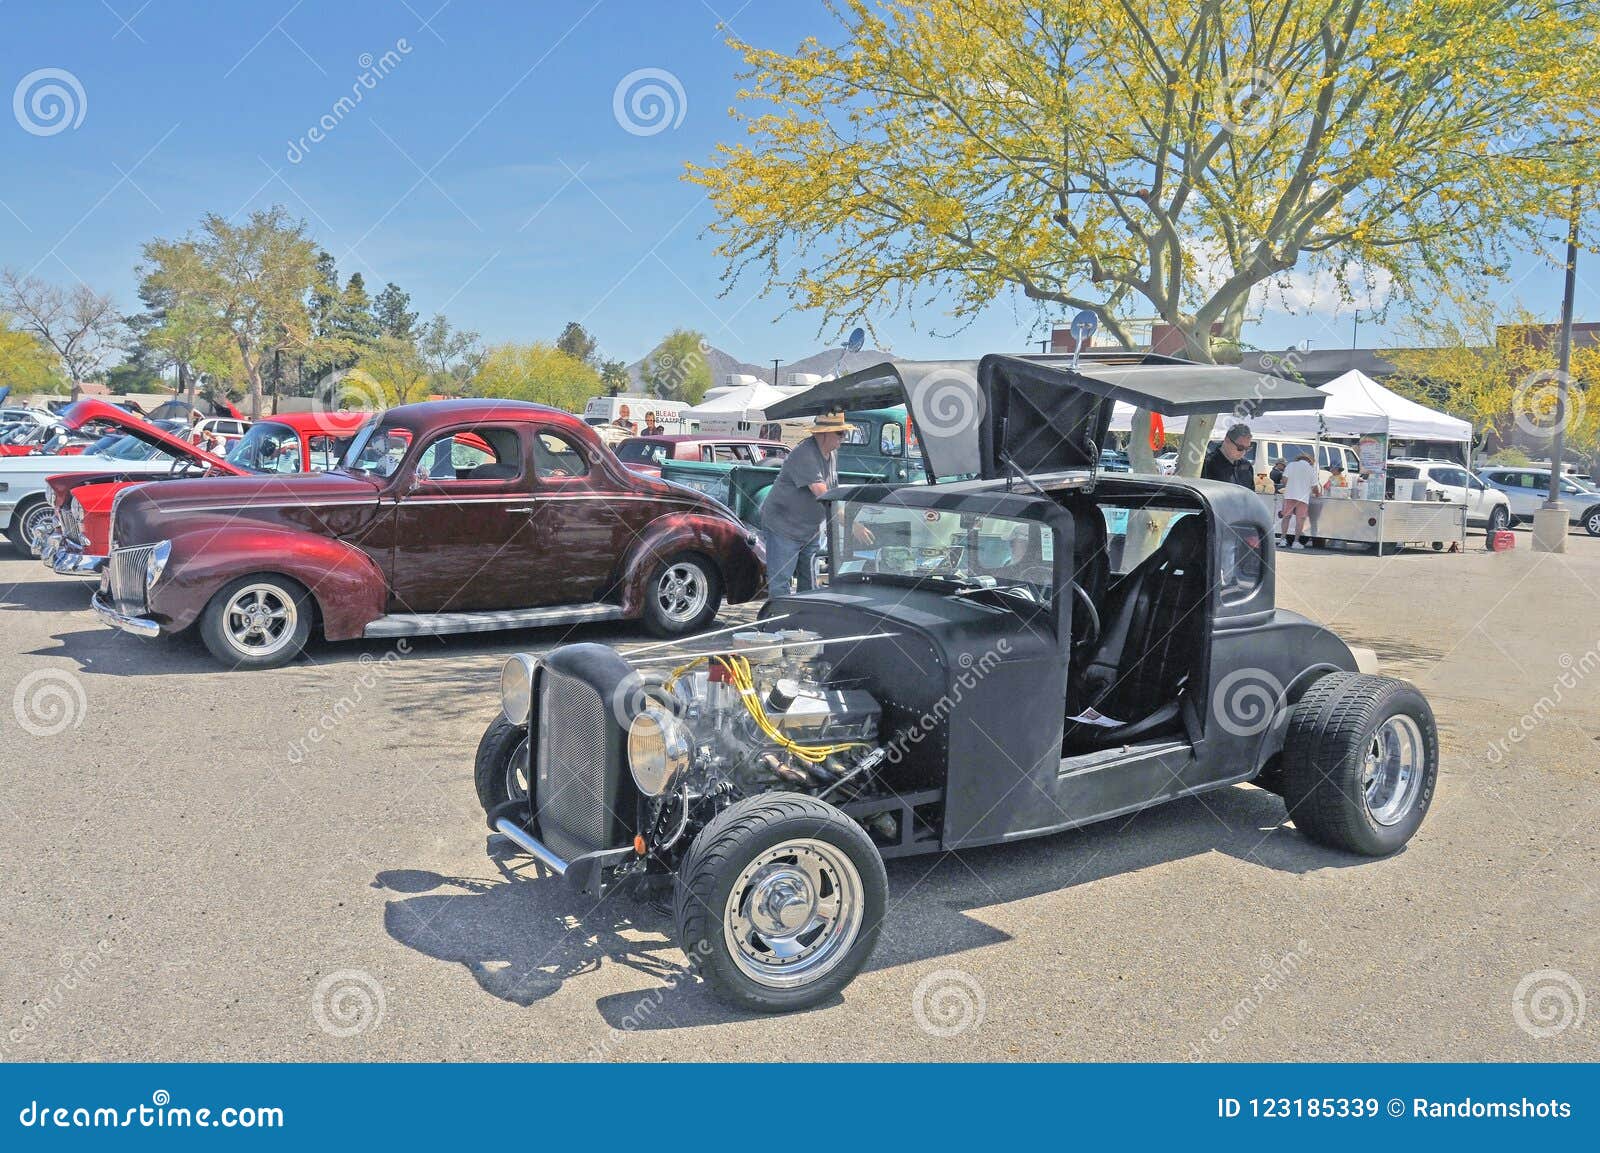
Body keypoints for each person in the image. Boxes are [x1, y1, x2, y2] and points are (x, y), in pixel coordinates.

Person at [760, 412, 872, 597]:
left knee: (810, 582)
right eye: (840, 433)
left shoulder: (831, 453)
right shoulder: (805, 453)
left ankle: (802, 621)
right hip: (783, 527)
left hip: (809, 530)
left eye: (844, 433)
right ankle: (776, 624)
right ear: (824, 433)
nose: (843, 438)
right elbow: (824, 495)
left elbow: (833, 493)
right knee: (781, 584)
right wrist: (853, 526)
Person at [1278, 450, 1319, 549]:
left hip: (1289, 495)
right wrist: (1317, 494)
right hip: (1303, 498)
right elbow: (1315, 487)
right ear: (1309, 461)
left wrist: (1290, 486)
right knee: (1300, 520)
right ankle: (1296, 542)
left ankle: (1283, 539)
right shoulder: (1311, 469)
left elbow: (1284, 480)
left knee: (1286, 518)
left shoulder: (1291, 465)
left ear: (1298, 459)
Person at [1202, 424, 1255, 488]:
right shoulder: (1207, 464)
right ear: (1227, 440)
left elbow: (1250, 493)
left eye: (1247, 449)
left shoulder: (1246, 466)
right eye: (1240, 447)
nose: (1243, 452)